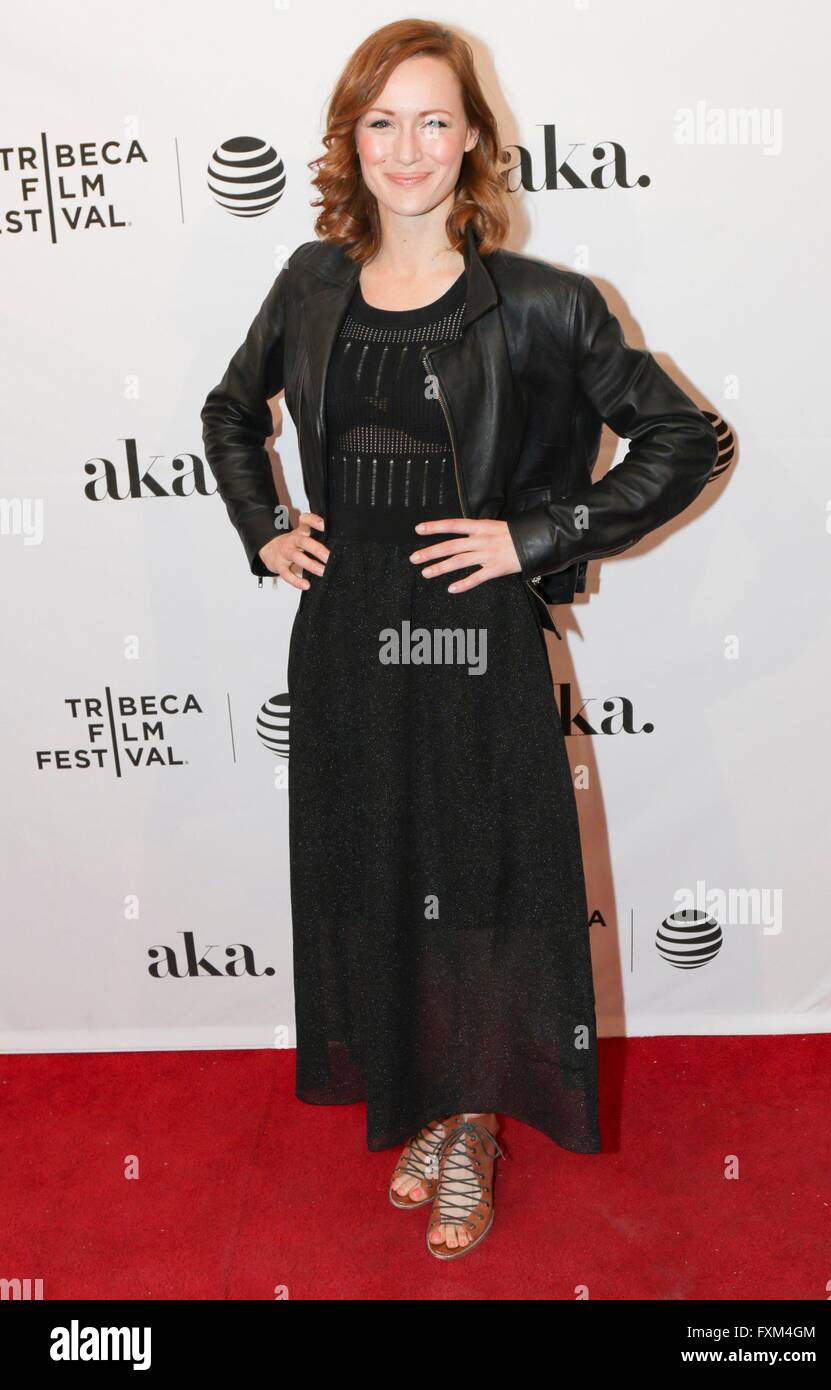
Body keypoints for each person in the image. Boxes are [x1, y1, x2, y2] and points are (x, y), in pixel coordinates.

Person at [200, 18, 718, 1261]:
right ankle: (427, 1102)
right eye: (381, 122)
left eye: (433, 119)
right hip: (345, 636)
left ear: (473, 137)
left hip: (474, 640)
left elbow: (685, 438)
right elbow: (229, 408)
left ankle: (473, 1124)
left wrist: (532, 535)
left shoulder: (542, 304)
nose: (407, 148)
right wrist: (268, 525)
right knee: (377, 869)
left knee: (479, 880)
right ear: (351, 141)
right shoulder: (310, 282)